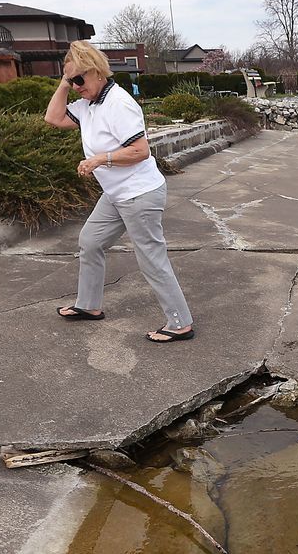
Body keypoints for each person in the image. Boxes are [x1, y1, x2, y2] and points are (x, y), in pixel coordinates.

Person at [44, 41, 194, 343]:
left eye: (79, 80)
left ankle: (180, 323)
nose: (75, 87)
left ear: (97, 72)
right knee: (90, 241)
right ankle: (88, 306)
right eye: (70, 80)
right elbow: (53, 118)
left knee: (151, 257)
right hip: (116, 194)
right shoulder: (88, 104)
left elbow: (139, 151)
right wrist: (64, 79)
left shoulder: (119, 104)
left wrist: (101, 159)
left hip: (140, 193)